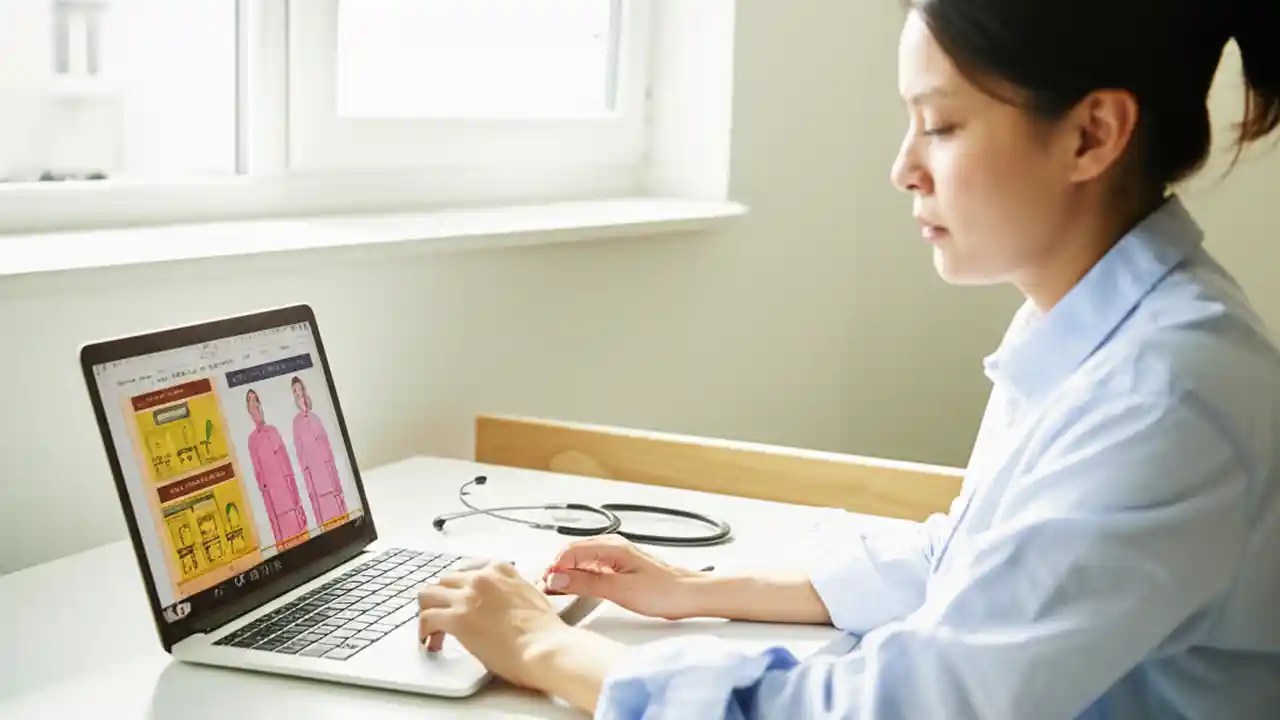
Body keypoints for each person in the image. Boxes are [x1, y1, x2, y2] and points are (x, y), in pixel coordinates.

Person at [415, 1, 1280, 717]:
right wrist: (700, 585)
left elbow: (909, 705)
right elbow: (979, 564)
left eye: (940, 124)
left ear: (1093, 134)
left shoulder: (1167, 396)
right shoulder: (1100, 329)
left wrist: (548, 647)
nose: (904, 167)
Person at [245, 388, 307, 546]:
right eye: (250, 402)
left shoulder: (273, 431)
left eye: (256, 401)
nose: (255, 406)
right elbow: (260, 478)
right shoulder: (252, 441)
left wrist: (297, 503)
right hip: (275, 504)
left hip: (289, 499)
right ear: (248, 409)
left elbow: (288, 467)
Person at [289, 376, 348, 526]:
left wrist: (335, 482)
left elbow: (328, 451)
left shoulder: (316, 418)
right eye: (294, 391)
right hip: (316, 485)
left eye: (299, 389)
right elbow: (301, 458)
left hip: (329, 480)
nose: (298, 393)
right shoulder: (296, 424)